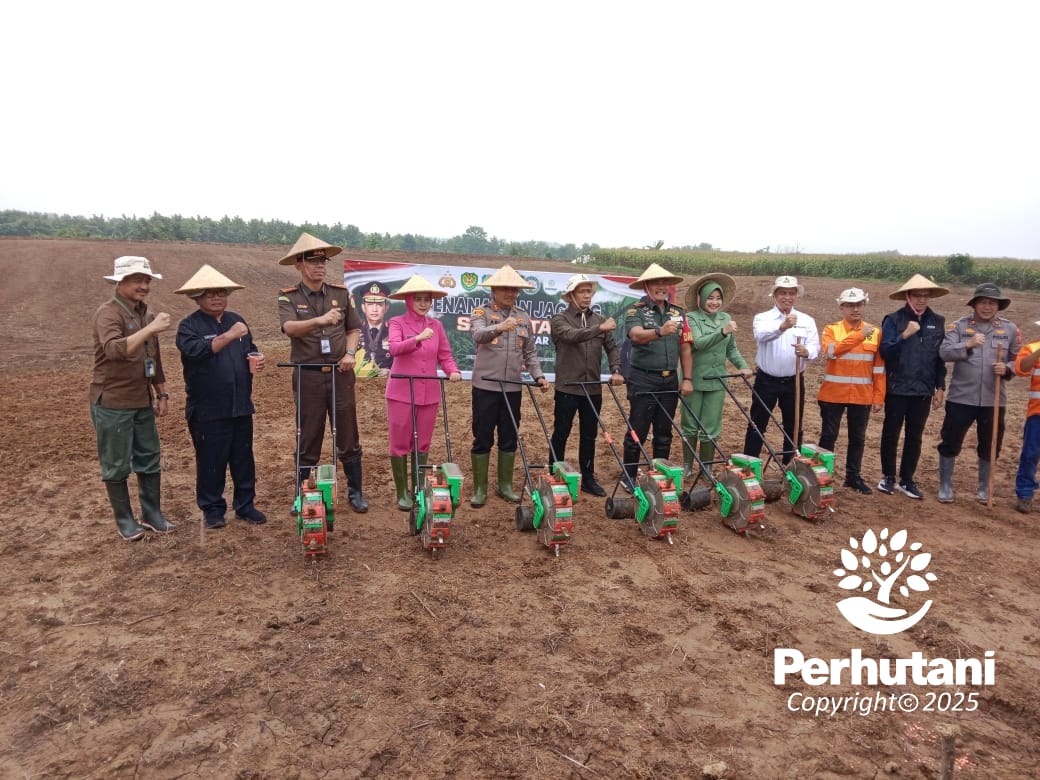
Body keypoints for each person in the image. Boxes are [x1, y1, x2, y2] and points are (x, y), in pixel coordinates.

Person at [278, 232, 368, 518]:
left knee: (348, 433)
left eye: (323, 261)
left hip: (340, 373)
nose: (320, 265)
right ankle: (302, 492)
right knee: (309, 434)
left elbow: (353, 329)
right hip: (308, 375)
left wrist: (351, 353)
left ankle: (356, 491)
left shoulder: (340, 294)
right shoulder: (288, 296)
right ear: (299, 264)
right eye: (314, 260)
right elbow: (290, 328)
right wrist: (320, 320)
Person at [89, 255, 176, 541]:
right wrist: (150, 329)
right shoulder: (108, 313)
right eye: (138, 280)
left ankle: (152, 515)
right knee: (116, 463)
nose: (144, 286)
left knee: (149, 458)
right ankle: (125, 521)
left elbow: (154, 358)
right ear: (120, 282)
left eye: (147, 280)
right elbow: (115, 350)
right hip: (113, 401)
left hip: (141, 400)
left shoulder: (144, 314)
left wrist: (161, 392)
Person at [175, 265, 267, 529]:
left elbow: (250, 348)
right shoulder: (188, 327)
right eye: (210, 294)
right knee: (210, 459)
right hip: (208, 409)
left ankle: (245, 504)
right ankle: (212, 509)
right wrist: (228, 335)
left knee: (243, 458)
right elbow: (198, 352)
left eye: (221, 293)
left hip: (240, 405)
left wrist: (256, 359)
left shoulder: (236, 320)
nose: (217, 298)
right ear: (197, 297)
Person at [469, 264, 549, 507]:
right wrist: (499, 327)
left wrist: (538, 376)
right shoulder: (481, 313)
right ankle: (480, 489)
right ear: (493, 290)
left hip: (513, 388)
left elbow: (530, 352)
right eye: (505, 289)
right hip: (485, 387)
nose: (510, 294)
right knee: (482, 437)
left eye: (514, 290)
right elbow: (478, 335)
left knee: (509, 437)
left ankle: (505, 486)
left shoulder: (523, 317)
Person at [936, 283, 1020, 504]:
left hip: (994, 399)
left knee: (990, 443)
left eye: (992, 303)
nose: (987, 307)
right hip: (961, 397)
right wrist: (968, 344)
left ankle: (984, 488)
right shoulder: (959, 327)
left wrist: (1008, 369)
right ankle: (945, 485)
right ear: (974, 304)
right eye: (983, 302)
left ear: (998, 306)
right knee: (950, 441)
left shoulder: (1010, 329)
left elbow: (1018, 358)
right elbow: (944, 352)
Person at [385, 275, 461, 511]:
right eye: (418, 299)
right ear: (408, 300)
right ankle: (402, 493)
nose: (423, 303)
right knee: (400, 442)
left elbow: (445, 355)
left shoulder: (436, 326)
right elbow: (395, 348)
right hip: (401, 391)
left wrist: (452, 370)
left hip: (429, 392)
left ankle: (418, 488)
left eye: (427, 299)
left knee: (423, 442)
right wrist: (417, 339)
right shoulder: (396, 322)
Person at [549, 273, 624, 497]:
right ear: (571, 295)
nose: (587, 296)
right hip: (567, 387)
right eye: (582, 291)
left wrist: (616, 370)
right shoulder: (559, 319)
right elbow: (572, 336)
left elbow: (611, 347)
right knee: (561, 432)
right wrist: (600, 329)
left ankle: (588, 479)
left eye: (589, 291)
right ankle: (554, 474)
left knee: (589, 435)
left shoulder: (599, 320)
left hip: (592, 388)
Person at [622, 263, 693, 490]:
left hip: (669, 380)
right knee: (638, 429)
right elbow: (635, 336)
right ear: (646, 286)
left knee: (664, 431)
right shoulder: (636, 310)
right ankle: (629, 476)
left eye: (665, 283)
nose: (662, 287)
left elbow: (685, 347)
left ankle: (659, 475)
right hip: (643, 379)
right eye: (656, 283)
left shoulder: (678, 313)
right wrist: (659, 331)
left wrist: (687, 378)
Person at [877, 273, 948, 499]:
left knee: (914, 436)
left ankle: (907, 480)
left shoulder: (937, 322)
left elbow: (939, 358)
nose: (921, 300)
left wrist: (940, 386)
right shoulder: (894, 320)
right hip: (897, 387)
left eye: (925, 296)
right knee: (891, 433)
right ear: (907, 296)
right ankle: (888, 476)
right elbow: (885, 351)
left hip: (923, 390)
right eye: (917, 295)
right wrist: (904, 335)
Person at [743, 275, 820, 466]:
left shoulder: (807, 320)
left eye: (791, 293)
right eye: (783, 293)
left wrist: (807, 351)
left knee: (793, 426)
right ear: (775, 295)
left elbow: (815, 347)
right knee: (757, 424)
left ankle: (790, 466)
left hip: (794, 381)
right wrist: (782, 327)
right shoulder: (762, 318)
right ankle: (750, 466)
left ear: (796, 296)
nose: (787, 297)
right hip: (766, 381)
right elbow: (761, 336)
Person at [680, 272, 751, 478]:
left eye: (718, 298)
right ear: (700, 299)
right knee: (690, 425)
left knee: (711, 426)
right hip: (693, 378)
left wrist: (743, 366)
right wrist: (722, 332)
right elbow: (698, 343)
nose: (714, 302)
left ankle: (707, 467)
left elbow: (732, 349)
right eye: (710, 298)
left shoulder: (725, 318)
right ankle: (687, 465)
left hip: (717, 380)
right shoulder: (691, 318)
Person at [817, 288, 886, 494]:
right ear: (842, 307)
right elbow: (830, 351)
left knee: (858, 438)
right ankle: (822, 476)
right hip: (833, 394)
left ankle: (853, 477)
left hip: (862, 395)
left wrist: (878, 396)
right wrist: (858, 336)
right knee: (829, 435)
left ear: (864, 305)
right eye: (850, 305)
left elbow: (879, 368)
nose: (855, 309)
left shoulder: (875, 333)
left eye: (859, 304)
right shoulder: (831, 329)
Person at [1013, 321, 1040, 514]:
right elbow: (1021, 369)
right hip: (1037, 413)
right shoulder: (1032, 348)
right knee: (1030, 454)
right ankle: (1025, 493)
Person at [357, 281, 393, 375]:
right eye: (370, 304)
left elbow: (402, 359)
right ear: (363, 307)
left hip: (387, 382)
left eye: (379, 304)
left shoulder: (393, 330)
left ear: (386, 308)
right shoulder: (355, 331)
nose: (374, 309)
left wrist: (391, 372)